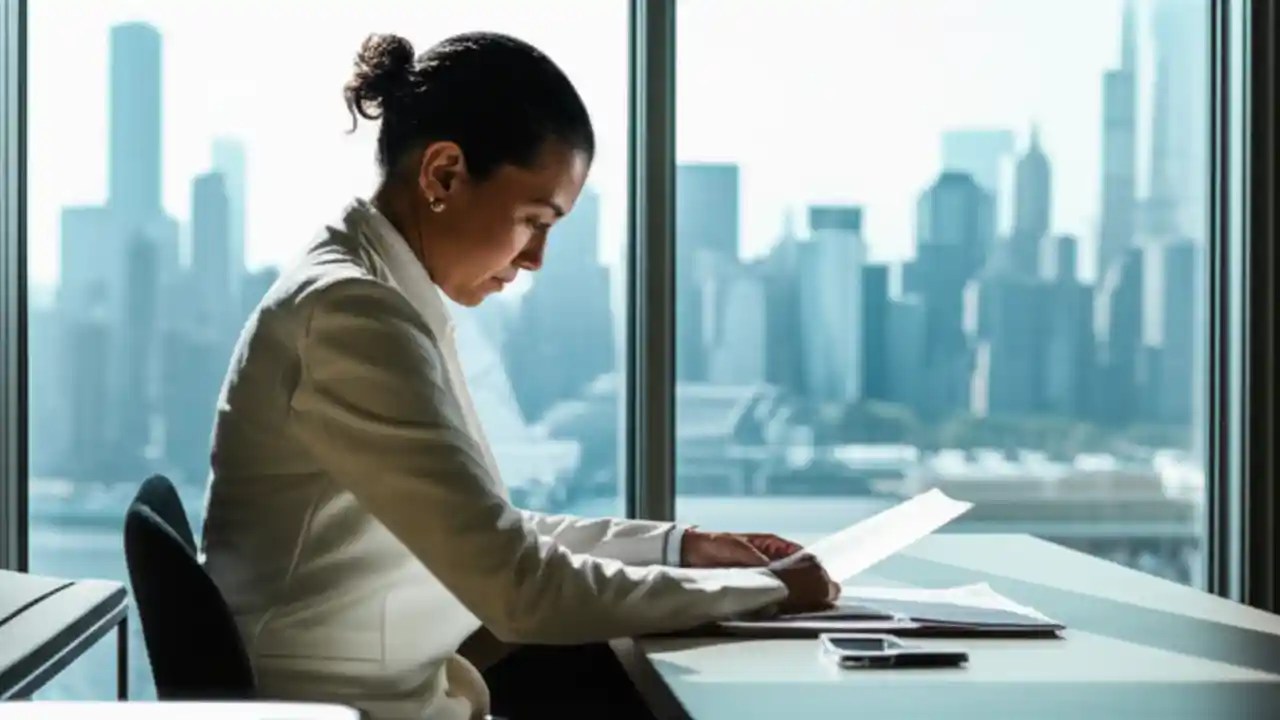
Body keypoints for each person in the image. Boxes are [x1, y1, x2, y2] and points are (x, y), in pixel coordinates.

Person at [200, 31, 838, 720]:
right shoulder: (354, 315)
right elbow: (519, 588)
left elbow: (490, 534)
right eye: (534, 220)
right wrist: (768, 591)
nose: (536, 258)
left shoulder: (372, 294)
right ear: (444, 174)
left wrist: (682, 548)